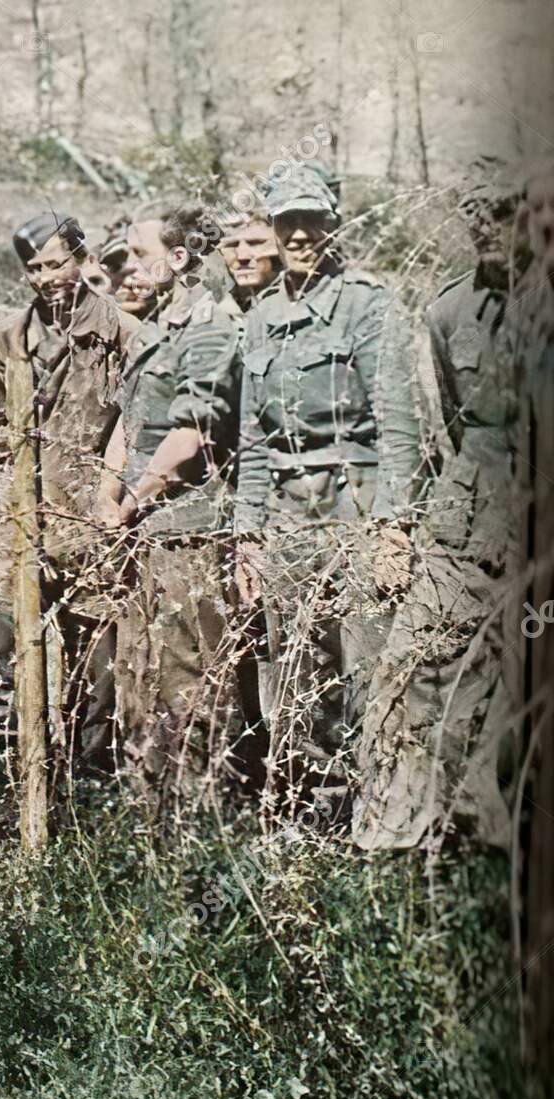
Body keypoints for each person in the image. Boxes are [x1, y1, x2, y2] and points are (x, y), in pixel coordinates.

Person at [233, 166, 422, 814]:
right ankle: (316, 807)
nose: (299, 234)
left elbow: (397, 422)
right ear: (272, 228)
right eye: (287, 222)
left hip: (355, 498)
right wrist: (247, 536)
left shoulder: (367, 303)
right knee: (292, 665)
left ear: (332, 225)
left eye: (311, 220)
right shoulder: (260, 316)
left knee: (364, 658)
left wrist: (393, 525)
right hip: (286, 508)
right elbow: (252, 438)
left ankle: (385, 809)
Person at [355, 171, 526, 848]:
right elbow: (451, 423)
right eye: (475, 212)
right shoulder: (449, 311)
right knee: (414, 664)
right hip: (470, 512)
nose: (487, 224)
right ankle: (403, 830)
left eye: (505, 210)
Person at [0, 212, 137, 756]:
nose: (45, 277)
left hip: (93, 513)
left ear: (83, 260)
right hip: (19, 509)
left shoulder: (121, 332)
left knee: (100, 646)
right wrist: (13, 486)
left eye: (55, 263)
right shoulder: (9, 336)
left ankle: (90, 767)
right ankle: (2, 758)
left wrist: (106, 498)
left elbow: (132, 427)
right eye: (34, 268)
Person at [101, 206, 244, 794]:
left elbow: (193, 434)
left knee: (189, 676)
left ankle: (197, 817)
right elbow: (127, 424)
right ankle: (144, 811)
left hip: (186, 529)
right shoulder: (160, 326)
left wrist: (132, 498)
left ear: (179, 258)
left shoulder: (211, 324)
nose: (130, 267)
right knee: (140, 670)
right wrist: (105, 495)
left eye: (139, 254)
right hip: (139, 528)